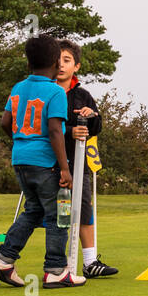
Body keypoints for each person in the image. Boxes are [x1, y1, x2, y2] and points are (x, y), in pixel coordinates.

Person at [0, 35, 85, 288]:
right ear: (54, 61)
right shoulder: (55, 92)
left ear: (28, 62)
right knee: (58, 215)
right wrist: (64, 167)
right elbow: (54, 131)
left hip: (21, 159)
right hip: (46, 163)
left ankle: (3, 259)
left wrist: (20, 143)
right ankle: (55, 270)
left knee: (34, 211)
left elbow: (5, 123)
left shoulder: (18, 88)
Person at [55, 40, 117, 277]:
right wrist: (70, 129)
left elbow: (97, 126)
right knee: (59, 214)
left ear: (76, 66)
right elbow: (46, 126)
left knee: (83, 209)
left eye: (67, 60)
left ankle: (90, 263)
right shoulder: (48, 92)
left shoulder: (82, 95)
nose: (61, 65)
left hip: (79, 163)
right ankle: (58, 262)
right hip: (52, 163)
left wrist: (91, 117)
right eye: (57, 60)